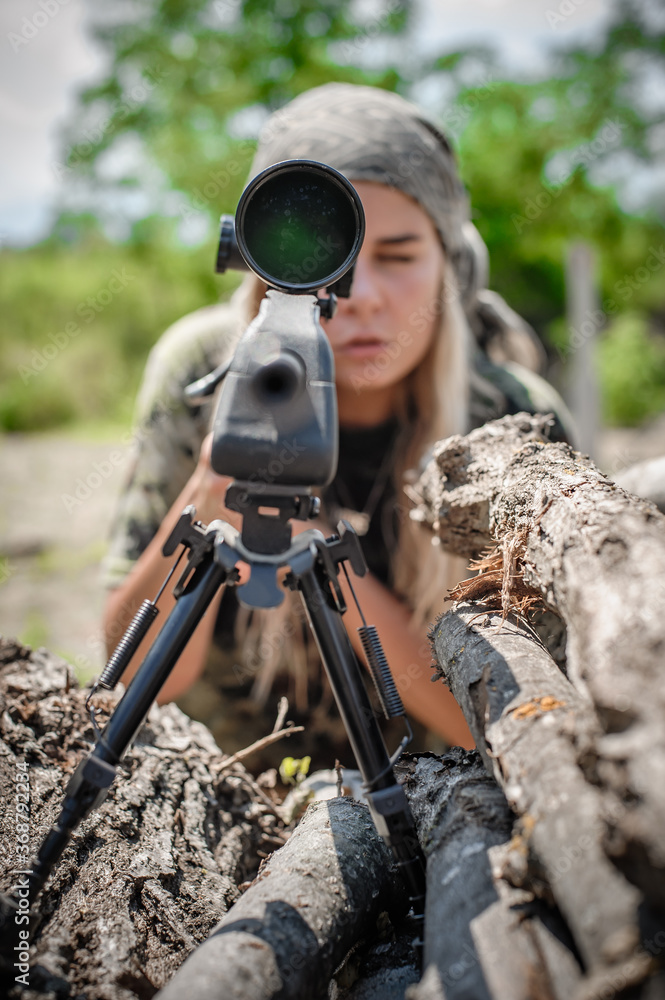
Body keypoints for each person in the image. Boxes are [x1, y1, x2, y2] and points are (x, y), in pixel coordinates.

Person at [102, 83, 574, 769]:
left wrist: (315, 544)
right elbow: (131, 682)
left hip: (435, 796)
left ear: (451, 264)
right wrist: (213, 495)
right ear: (259, 263)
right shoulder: (202, 373)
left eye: (399, 255)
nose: (360, 296)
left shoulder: (508, 416)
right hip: (223, 779)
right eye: (326, 257)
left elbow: (509, 724)